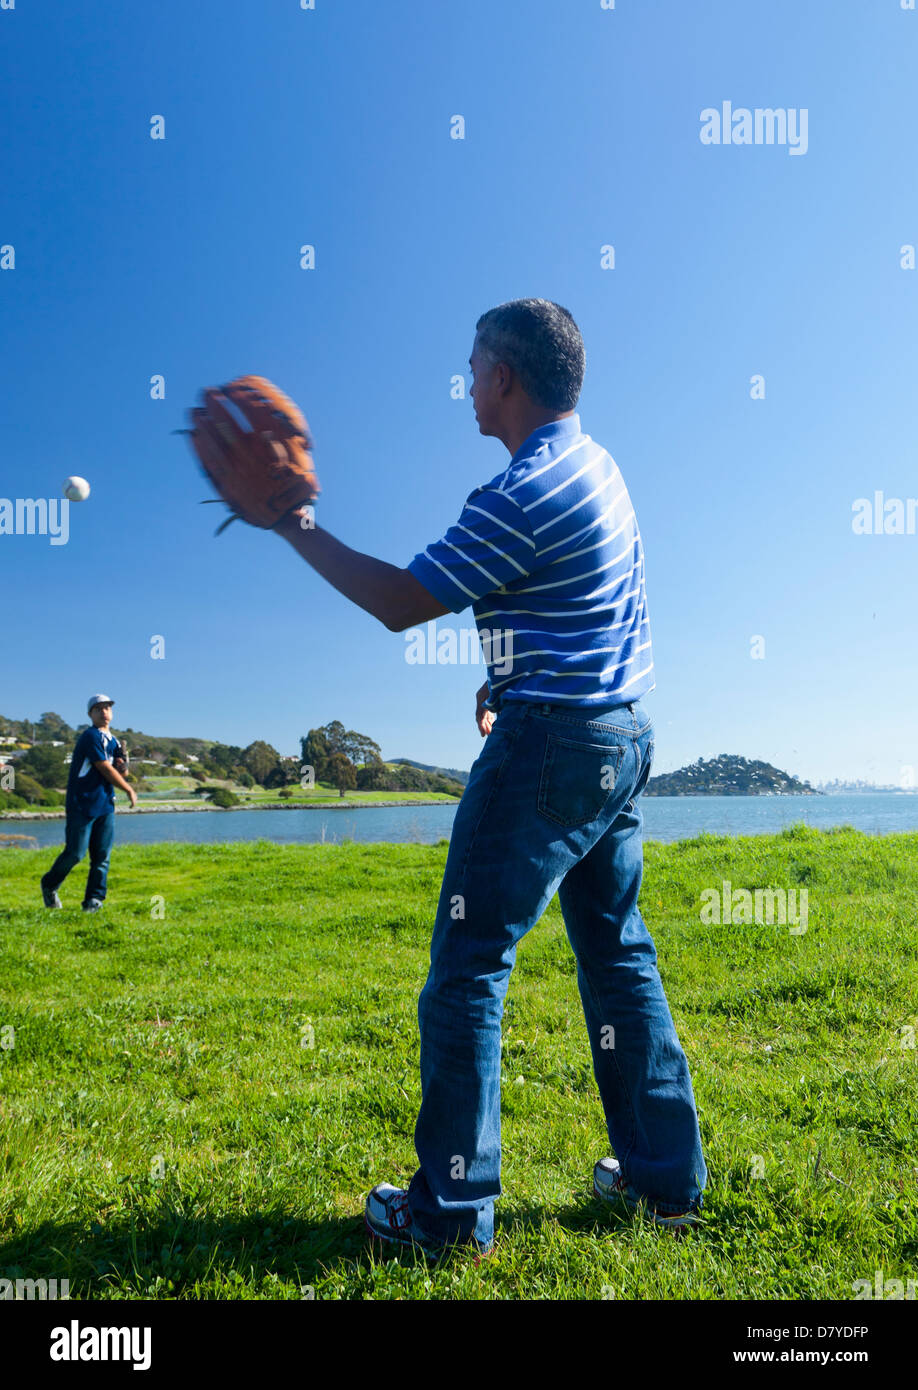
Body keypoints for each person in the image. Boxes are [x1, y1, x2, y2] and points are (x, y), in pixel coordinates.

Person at [271, 297, 707, 1256]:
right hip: (621, 738)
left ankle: (449, 1216)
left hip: (548, 747)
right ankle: (664, 1182)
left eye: (474, 369)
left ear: (504, 376)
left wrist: (294, 524)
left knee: (469, 969)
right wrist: (503, 667)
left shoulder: (517, 493)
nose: (467, 385)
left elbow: (396, 603)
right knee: (619, 954)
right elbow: (574, 600)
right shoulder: (598, 466)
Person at [40, 694, 136, 912]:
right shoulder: (90, 736)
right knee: (76, 853)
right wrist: (128, 789)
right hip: (82, 803)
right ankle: (49, 884)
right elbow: (103, 767)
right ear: (90, 714)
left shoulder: (114, 741)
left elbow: (122, 771)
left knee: (102, 856)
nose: (104, 712)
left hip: (105, 804)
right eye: (98, 709)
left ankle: (94, 901)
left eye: (107, 708)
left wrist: (124, 761)